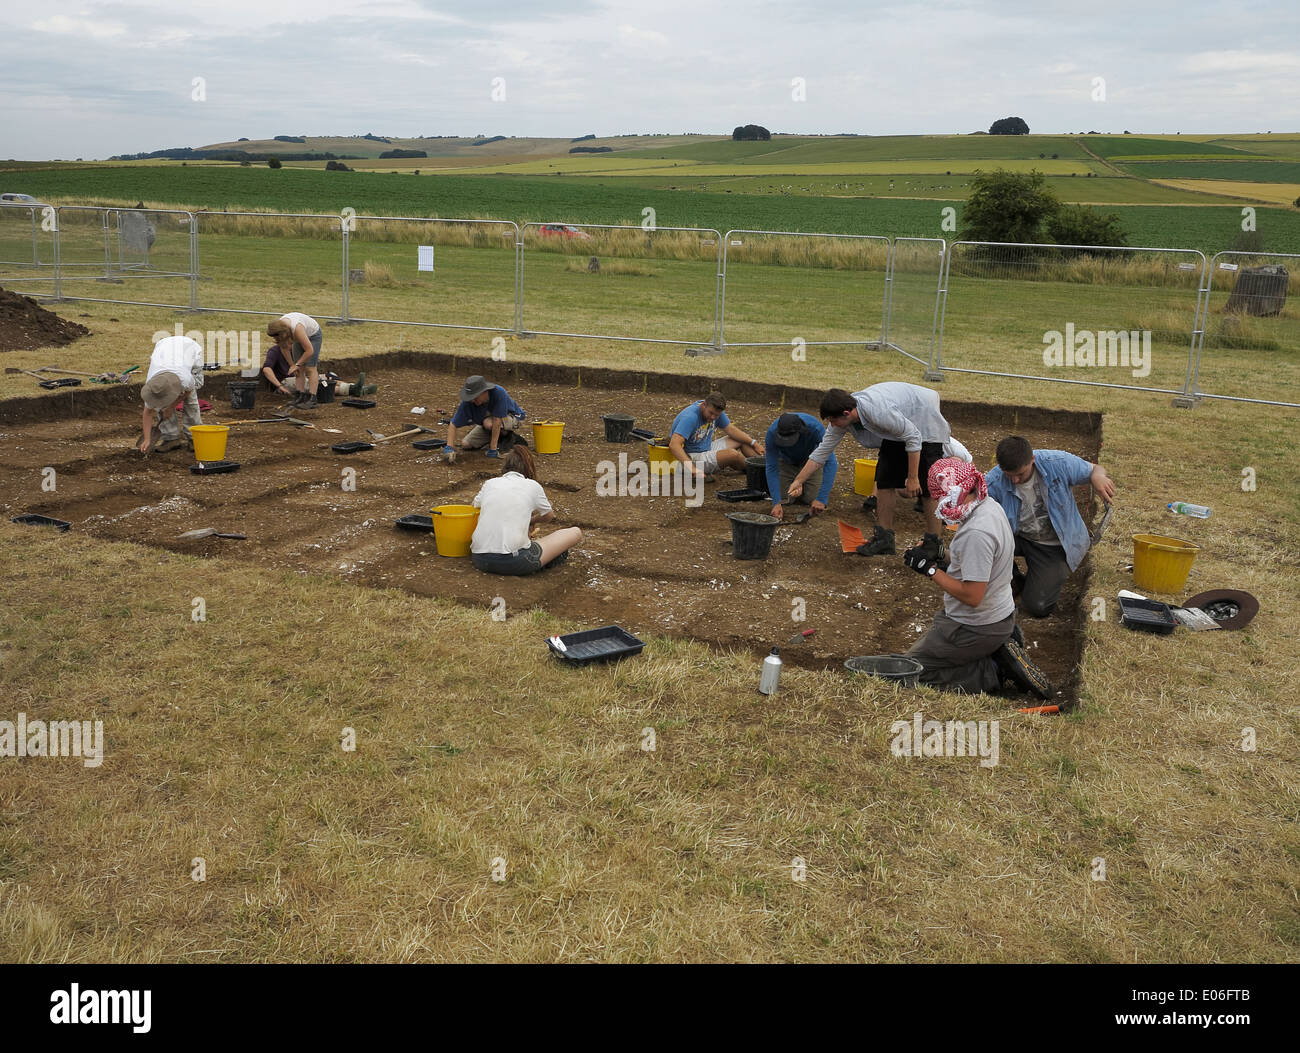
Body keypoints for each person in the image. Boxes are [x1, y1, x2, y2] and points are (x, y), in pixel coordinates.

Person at [903, 458, 1051, 699]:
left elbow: (972, 595)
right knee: (920, 661)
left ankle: (992, 669)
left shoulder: (976, 533)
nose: (937, 502)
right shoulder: (988, 506)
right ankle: (996, 648)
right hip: (997, 616)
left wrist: (929, 569)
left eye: (940, 496)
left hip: (976, 626)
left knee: (909, 672)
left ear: (954, 493)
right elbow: (975, 565)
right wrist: (940, 555)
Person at [788, 382, 950, 559]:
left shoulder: (878, 412)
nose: (832, 425)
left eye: (833, 420)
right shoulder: (845, 418)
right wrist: (799, 480)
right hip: (897, 426)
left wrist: (912, 478)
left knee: (928, 487)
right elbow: (822, 452)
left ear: (846, 413)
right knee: (884, 479)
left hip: (923, 417)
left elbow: (913, 437)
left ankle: (934, 544)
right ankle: (884, 538)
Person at [985, 436, 1116, 618]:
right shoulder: (994, 481)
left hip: (1052, 546)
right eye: (1009, 475)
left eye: (1020, 474)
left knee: (1037, 607)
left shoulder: (1057, 463)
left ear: (1032, 460)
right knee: (984, 543)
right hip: (1018, 537)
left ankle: (1035, 581)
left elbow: (1095, 468)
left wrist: (1098, 476)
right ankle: (1012, 579)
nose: (1014, 480)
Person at [469, 446, 582, 575]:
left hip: (479, 558)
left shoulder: (490, 483)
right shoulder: (532, 485)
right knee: (575, 532)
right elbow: (549, 515)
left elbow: (473, 506)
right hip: (514, 561)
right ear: (528, 468)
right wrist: (531, 521)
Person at [667, 392, 763, 479]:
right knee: (732, 454)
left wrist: (754, 443)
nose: (713, 417)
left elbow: (731, 429)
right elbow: (674, 444)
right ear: (704, 404)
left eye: (716, 415)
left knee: (743, 439)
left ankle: (764, 463)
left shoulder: (715, 410)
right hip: (691, 457)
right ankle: (758, 470)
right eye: (711, 413)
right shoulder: (690, 417)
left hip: (706, 448)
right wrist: (692, 469)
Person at [138, 334, 204, 454]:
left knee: (191, 402)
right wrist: (147, 439)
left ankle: (195, 438)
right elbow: (147, 412)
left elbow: (188, 391)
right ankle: (171, 438)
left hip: (189, 350)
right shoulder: (153, 385)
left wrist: (171, 407)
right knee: (159, 402)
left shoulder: (185, 379)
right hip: (165, 349)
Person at [764, 412, 837, 520]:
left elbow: (831, 462)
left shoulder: (815, 429)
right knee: (785, 499)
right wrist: (776, 503)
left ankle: (803, 484)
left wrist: (822, 499)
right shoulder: (771, 433)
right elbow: (771, 466)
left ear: (800, 431)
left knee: (811, 499)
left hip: (811, 462)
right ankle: (796, 484)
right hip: (786, 462)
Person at [447, 375, 525, 458]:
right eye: (471, 397)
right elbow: (453, 424)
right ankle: (494, 438)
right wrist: (449, 447)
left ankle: (508, 437)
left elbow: (497, 421)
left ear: (485, 392)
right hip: (490, 423)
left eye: (475, 397)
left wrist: (493, 449)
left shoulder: (498, 392)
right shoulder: (469, 402)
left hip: (513, 417)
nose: (473, 400)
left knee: (488, 423)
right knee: (466, 444)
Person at [266, 312, 322, 409]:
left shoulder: (297, 329)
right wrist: (293, 365)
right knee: (299, 370)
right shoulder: (281, 330)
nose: (275, 339)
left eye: (276, 336)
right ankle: (300, 396)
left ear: (282, 333)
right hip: (298, 336)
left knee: (310, 368)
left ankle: (312, 399)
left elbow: (309, 351)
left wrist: (298, 364)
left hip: (313, 335)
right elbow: (284, 348)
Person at [259, 337, 300, 402]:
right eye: (290, 343)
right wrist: (280, 386)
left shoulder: (297, 351)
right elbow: (266, 369)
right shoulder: (275, 351)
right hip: (284, 382)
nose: (293, 346)